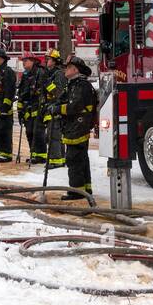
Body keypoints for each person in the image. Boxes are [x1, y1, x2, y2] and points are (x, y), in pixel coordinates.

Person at [57, 56, 97, 201]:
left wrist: (57, 109)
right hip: (75, 127)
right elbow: (62, 100)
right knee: (81, 159)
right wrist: (54, 106)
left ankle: (76, 191)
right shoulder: (73, 85)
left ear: (75, 69)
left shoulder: (81, 86)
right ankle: (85, 189)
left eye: (68, 67)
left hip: (78, 128)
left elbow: (74, 106)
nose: (65, 70)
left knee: (74, 158)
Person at [39, 48, 67, 171]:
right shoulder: (49, 73)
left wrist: (47, 84)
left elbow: (58, 92)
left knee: (53, 136)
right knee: (53, 135)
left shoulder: (59, 74)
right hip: (49, 108)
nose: (46, 61)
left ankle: (55, 161)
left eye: (49, 59)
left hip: (56, 108)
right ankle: (60, 159)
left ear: (55, 61)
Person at [16, 54, 41, 161]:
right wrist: (20, 109)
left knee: (37, 132)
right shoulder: (25, 75)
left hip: (37, 107)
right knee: (29, 131)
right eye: (23, 61)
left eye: (26, 60)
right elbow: (22, 93)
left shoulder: (40, 73)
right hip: (27, 108)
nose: (23, 63)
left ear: (33, 61)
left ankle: (40, 155)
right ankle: (33, 154)